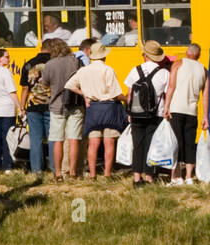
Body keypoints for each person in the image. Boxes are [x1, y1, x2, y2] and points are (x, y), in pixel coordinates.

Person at [63, 42, 127, 178]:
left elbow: (69, 85)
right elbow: (115, 93)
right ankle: (107, 174)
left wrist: (84, 94)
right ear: (104, 56)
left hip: (93, 108)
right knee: (109, 142)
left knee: (93, 142)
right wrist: (127, 99)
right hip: (109, 107)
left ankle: (92, 174)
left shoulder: (84, 70)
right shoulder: (108, 70)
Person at [124, 40, 170, 185]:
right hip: (155, 114)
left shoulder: (134, 70)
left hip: (137, 113)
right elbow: (167, 94)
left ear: (145, 55)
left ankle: (137, 178)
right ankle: (149, 177)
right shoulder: (164, 73)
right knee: (151, 145)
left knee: (137, 145)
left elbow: (129, 94)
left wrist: (130, 112)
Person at [163, 43, 209, 185]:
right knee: (190, 144)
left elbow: (171, 87)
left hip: (176, 108)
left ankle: (176, 176)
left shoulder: (178, 64)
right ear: (199, 55)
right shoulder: (204, 70)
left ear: (187, 52)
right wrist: (205, 116)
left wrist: (166, 106)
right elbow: (205, 96)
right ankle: (189, 176)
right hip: (192, 111)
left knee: (176, 143)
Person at [42, 38, 81, 181]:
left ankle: (58, 173)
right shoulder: (74, 61)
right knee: (73, 139)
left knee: (57, 140)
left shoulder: (50, 64)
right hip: (75, 104)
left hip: (57, 105)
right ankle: (72, 172)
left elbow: (45, 84)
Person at [19, 41, 54, 177]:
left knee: (35, 139)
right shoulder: (54, 63)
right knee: (53, 138)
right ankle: (54, 168)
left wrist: (22, 107)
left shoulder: (29, 64)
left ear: (41, 48)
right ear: (50, 49)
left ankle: (36, 170)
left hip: (33, 107)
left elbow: (24, 89)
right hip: (51, 105)